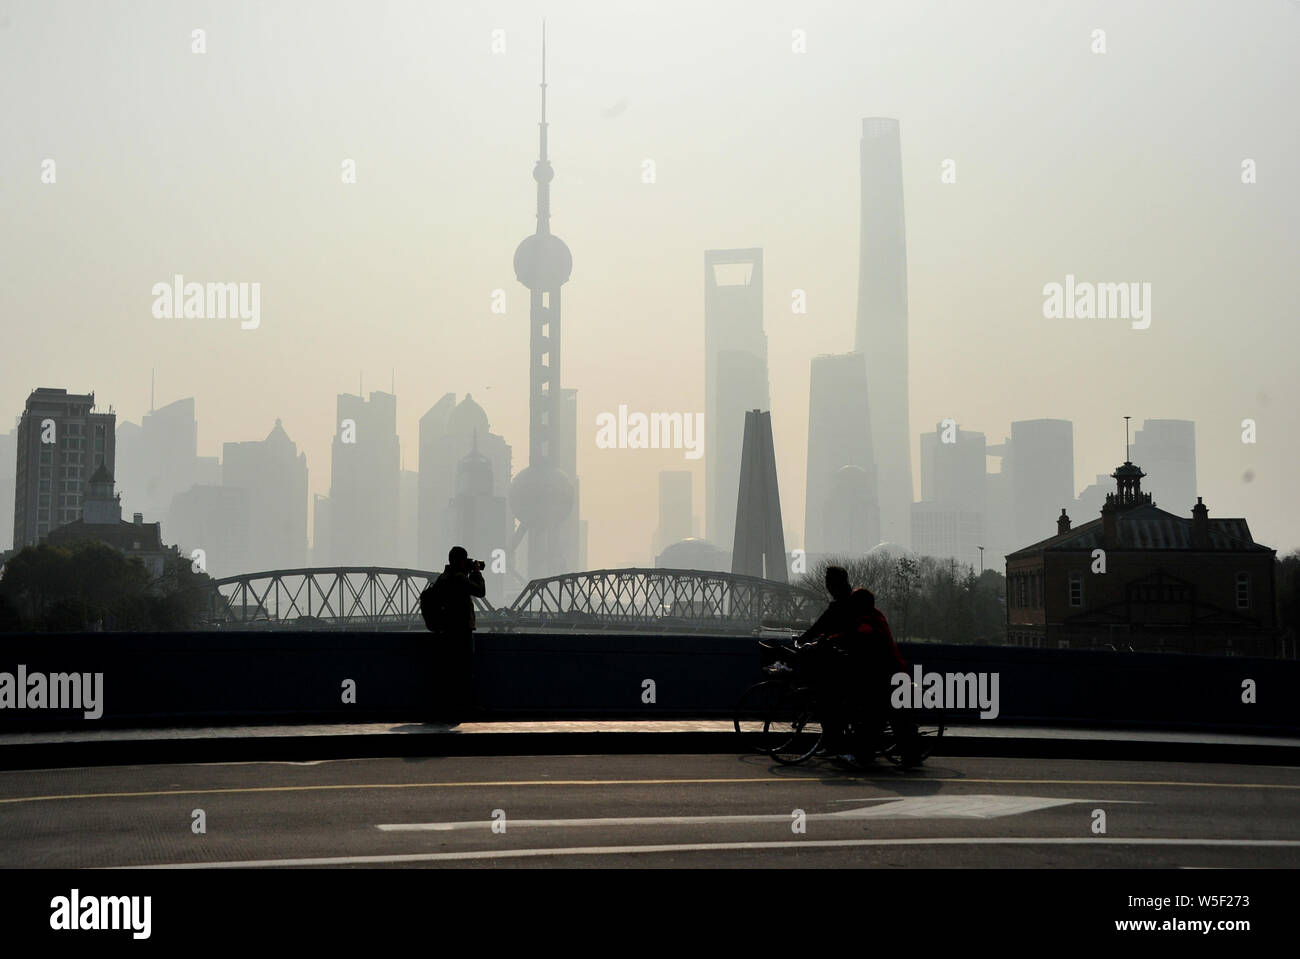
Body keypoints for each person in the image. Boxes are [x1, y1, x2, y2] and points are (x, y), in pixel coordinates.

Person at [421, 546, 486, 721]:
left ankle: (447, 707)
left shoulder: (443, 578)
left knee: (448, 672)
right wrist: (477, 572)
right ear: (462, 561)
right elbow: (480, 591)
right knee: (464, 671)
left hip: (446, 631)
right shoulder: (459, 578)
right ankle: (465, 707)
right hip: (461, 630)